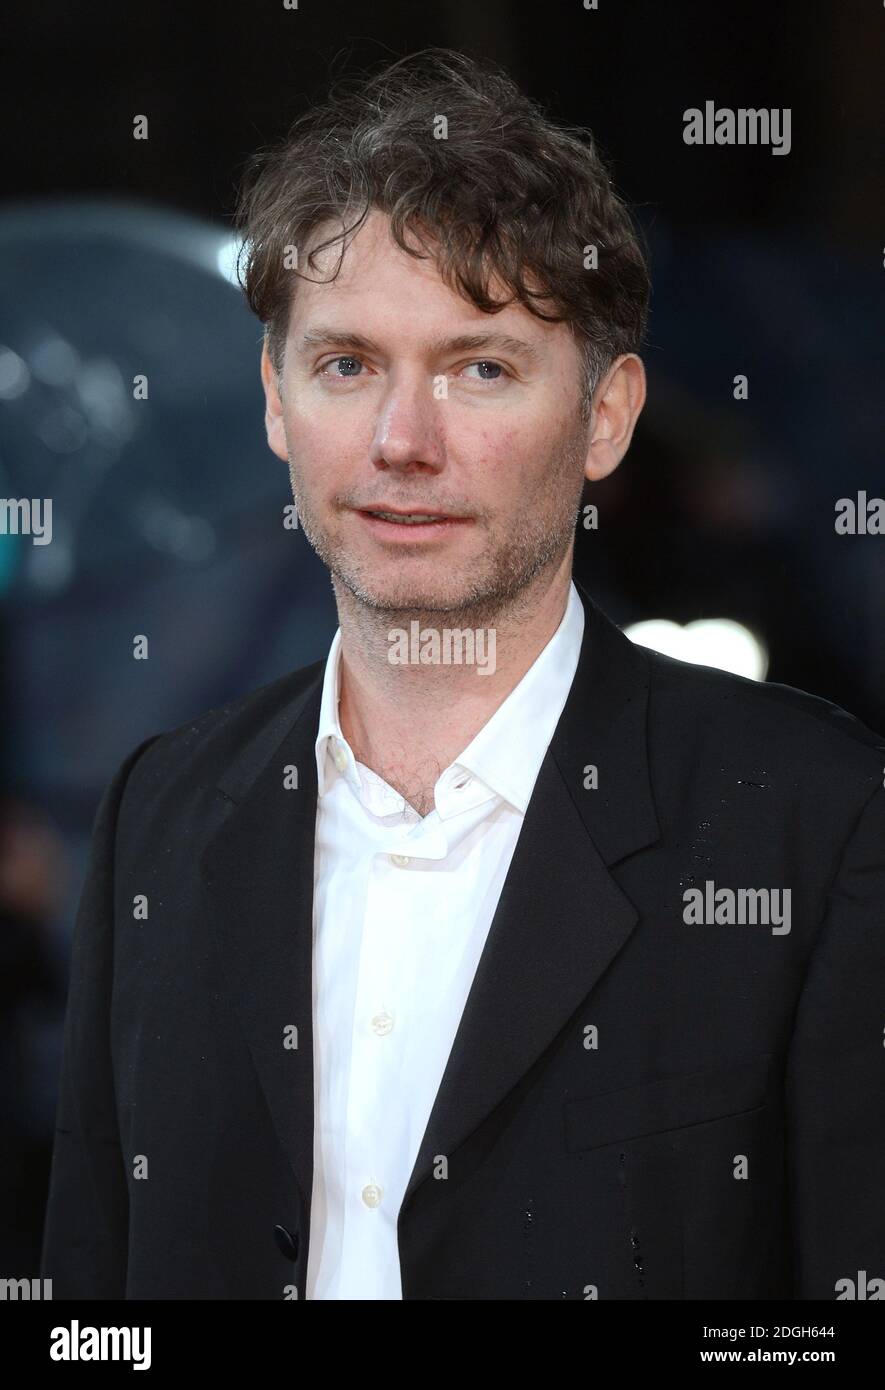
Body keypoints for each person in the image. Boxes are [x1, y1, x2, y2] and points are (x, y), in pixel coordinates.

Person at [41, 46, 885, 1300]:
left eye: (479, 367)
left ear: (606, 416)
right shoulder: (159, 812)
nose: (401, 443)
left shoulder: (816, 820)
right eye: (346, 366)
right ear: (275, 402)